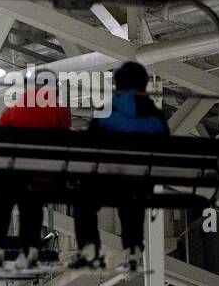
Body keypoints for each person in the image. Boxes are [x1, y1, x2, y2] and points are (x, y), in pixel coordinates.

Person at [71, 61, 170, 271]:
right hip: (140, 186)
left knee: (83, 204)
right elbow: (164, 150)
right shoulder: (155, 116)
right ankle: (133, 249)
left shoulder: (107, 110)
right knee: (131, 203)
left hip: (108, 182)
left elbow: (88, 147)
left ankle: (89, 250)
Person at [0, 87, 72, 270]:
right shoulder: (58, 111)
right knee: (32, 208)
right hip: (41, 178)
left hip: (13, 177)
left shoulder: (14, 111)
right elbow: (66, 137)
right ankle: (30, 250)